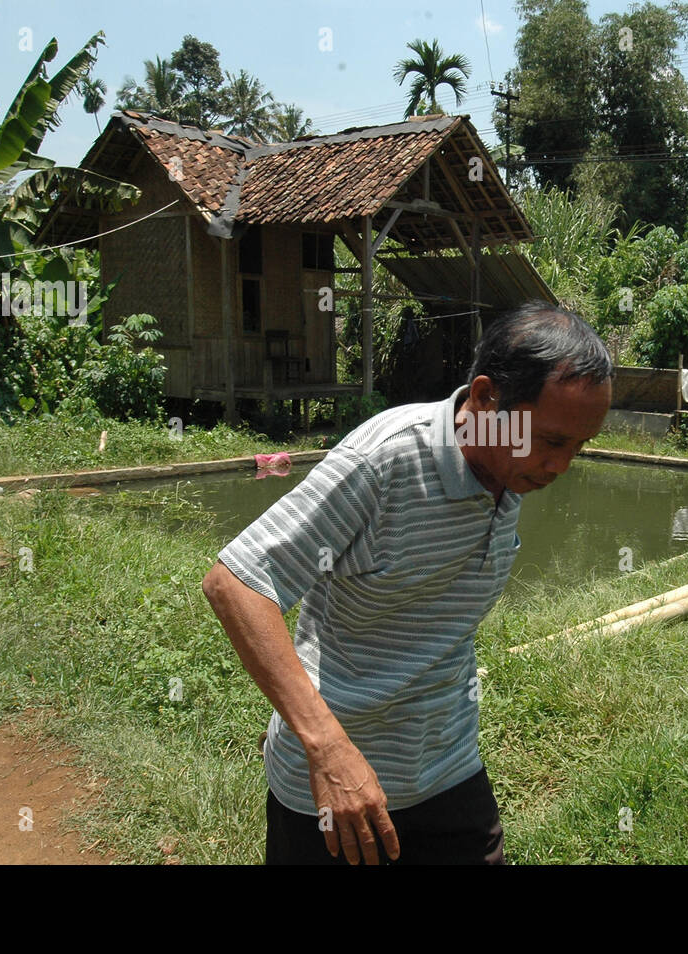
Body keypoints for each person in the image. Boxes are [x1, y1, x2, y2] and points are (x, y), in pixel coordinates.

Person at [201, 301, 613, 864]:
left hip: (448, 768)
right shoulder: (383, 463)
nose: (560, 467)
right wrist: (326, 748)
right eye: (551, 441)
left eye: (578, 447)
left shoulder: (511, 468)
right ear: (487, 398)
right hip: (339, 793)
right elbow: (237, 582)